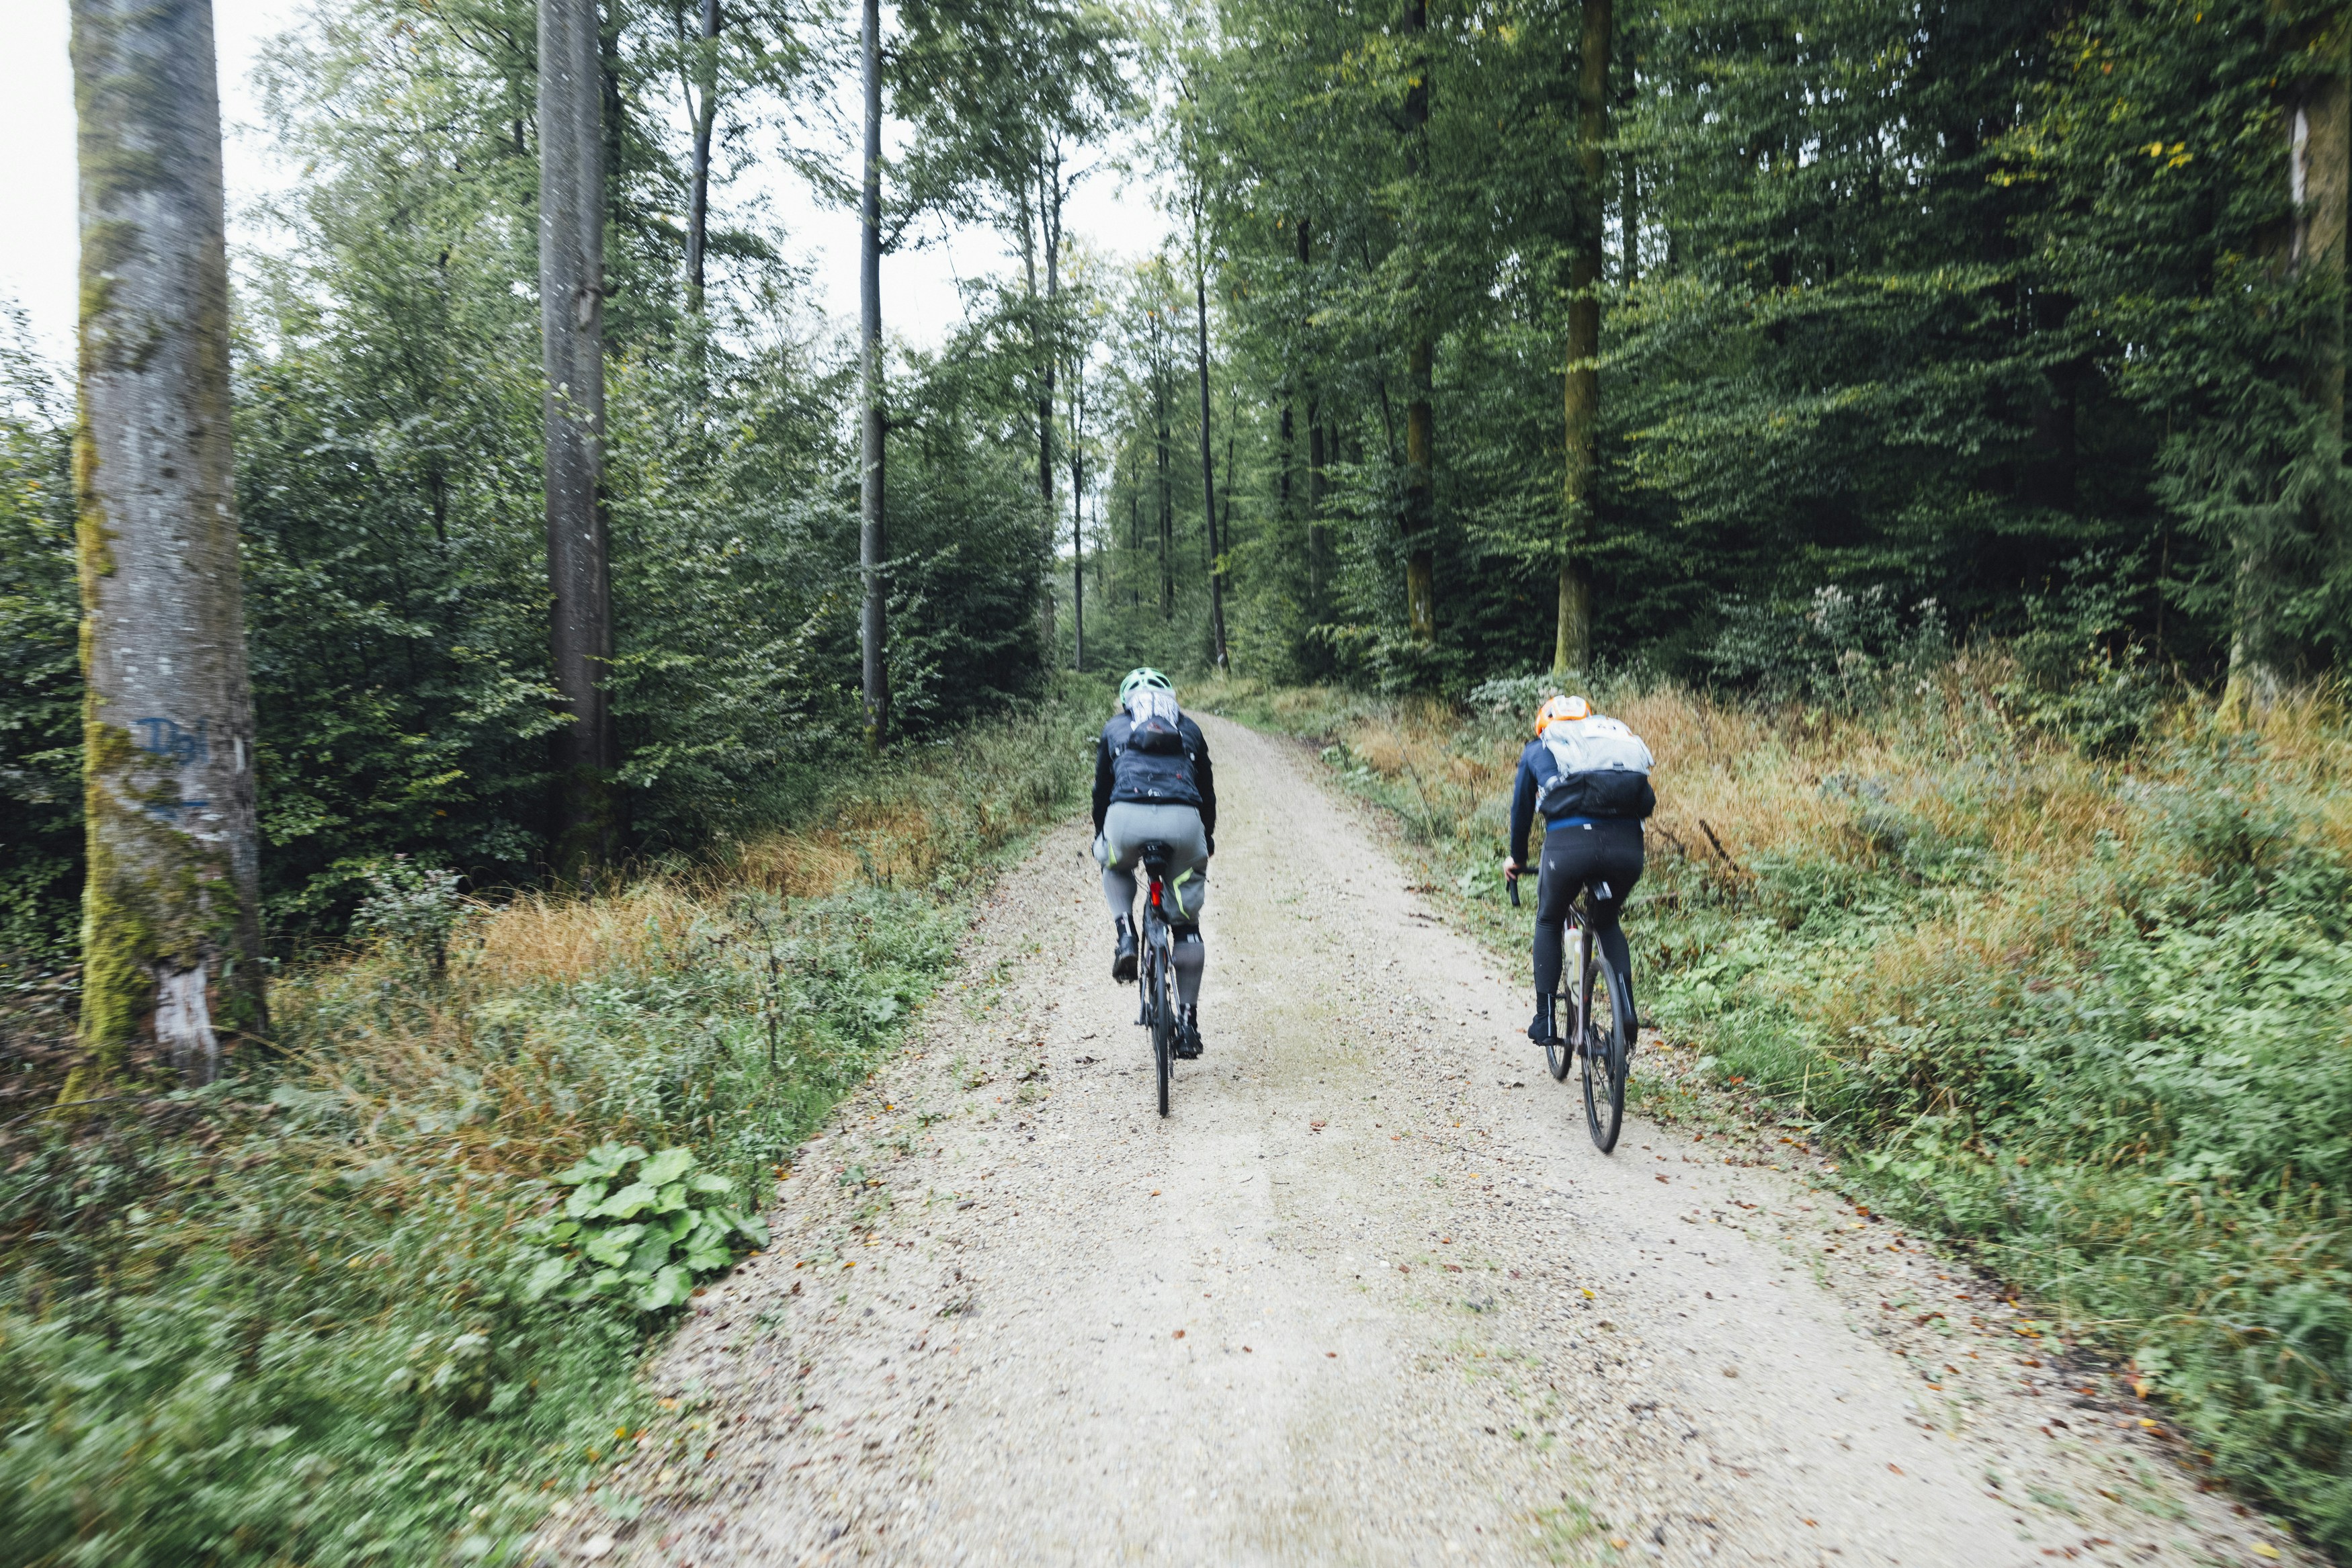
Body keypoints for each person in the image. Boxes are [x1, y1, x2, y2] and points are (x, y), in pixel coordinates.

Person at [1503, 693, 1654, 1051]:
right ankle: (1628, 1015)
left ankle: (1546, 1019)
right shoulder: (1612, 745)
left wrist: (1517, 858)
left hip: (1569, 848)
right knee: (1606, 922)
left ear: (1543, 726)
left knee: (1550, 919)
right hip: (1627, 847)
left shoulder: (1538, 750)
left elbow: (1521, 813)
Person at [1093, 668, 1218, 1057]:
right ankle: (1189, 1021)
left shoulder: (1115, 727)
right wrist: (1205, 838)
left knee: (1113, 863)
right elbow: (1207, 792)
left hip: (1126, 817)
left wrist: (1103, 833)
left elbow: (1101, 791)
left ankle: (1126, 934)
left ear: (1126, 700)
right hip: (1183, 822)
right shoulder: (1190, 728)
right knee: (1187, 925)